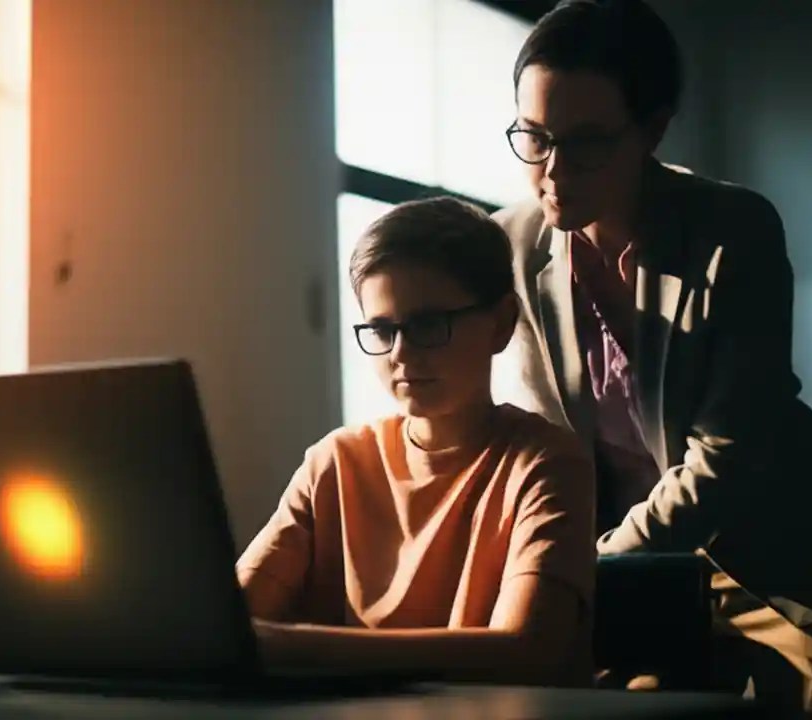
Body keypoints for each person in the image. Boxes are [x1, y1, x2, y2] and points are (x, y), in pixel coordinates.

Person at [490, 0, 812, 713]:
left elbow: (727, 455)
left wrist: (587, 571)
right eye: (534, 137)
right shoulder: (515, 242)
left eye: (586, 143)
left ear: (652, 130)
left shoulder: (732, 229)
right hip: (649, 571)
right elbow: (553, 445)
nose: (552, 172)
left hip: (800, 561)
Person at [237, 197, 596, 686]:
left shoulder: (545, 463)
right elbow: (231, 624)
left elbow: (528, 648)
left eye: (428, 325)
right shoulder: (335, 463)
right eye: (382, 330)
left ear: (501, 323)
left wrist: (302, 646)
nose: (401, 354)